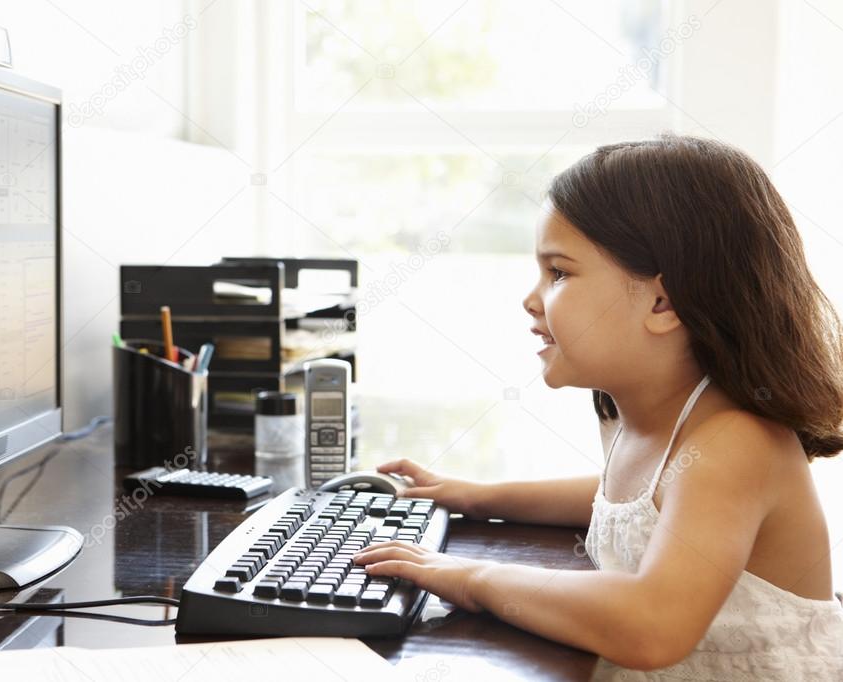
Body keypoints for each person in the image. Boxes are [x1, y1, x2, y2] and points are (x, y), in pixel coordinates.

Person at [353, 135, 843, 679]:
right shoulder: (636, 419)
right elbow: (625, 501)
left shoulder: (733, 444)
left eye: (559, 273)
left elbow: (652, 626)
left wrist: (470, 579)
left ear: (663, 301)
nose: (531, 298)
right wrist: (475, 496)